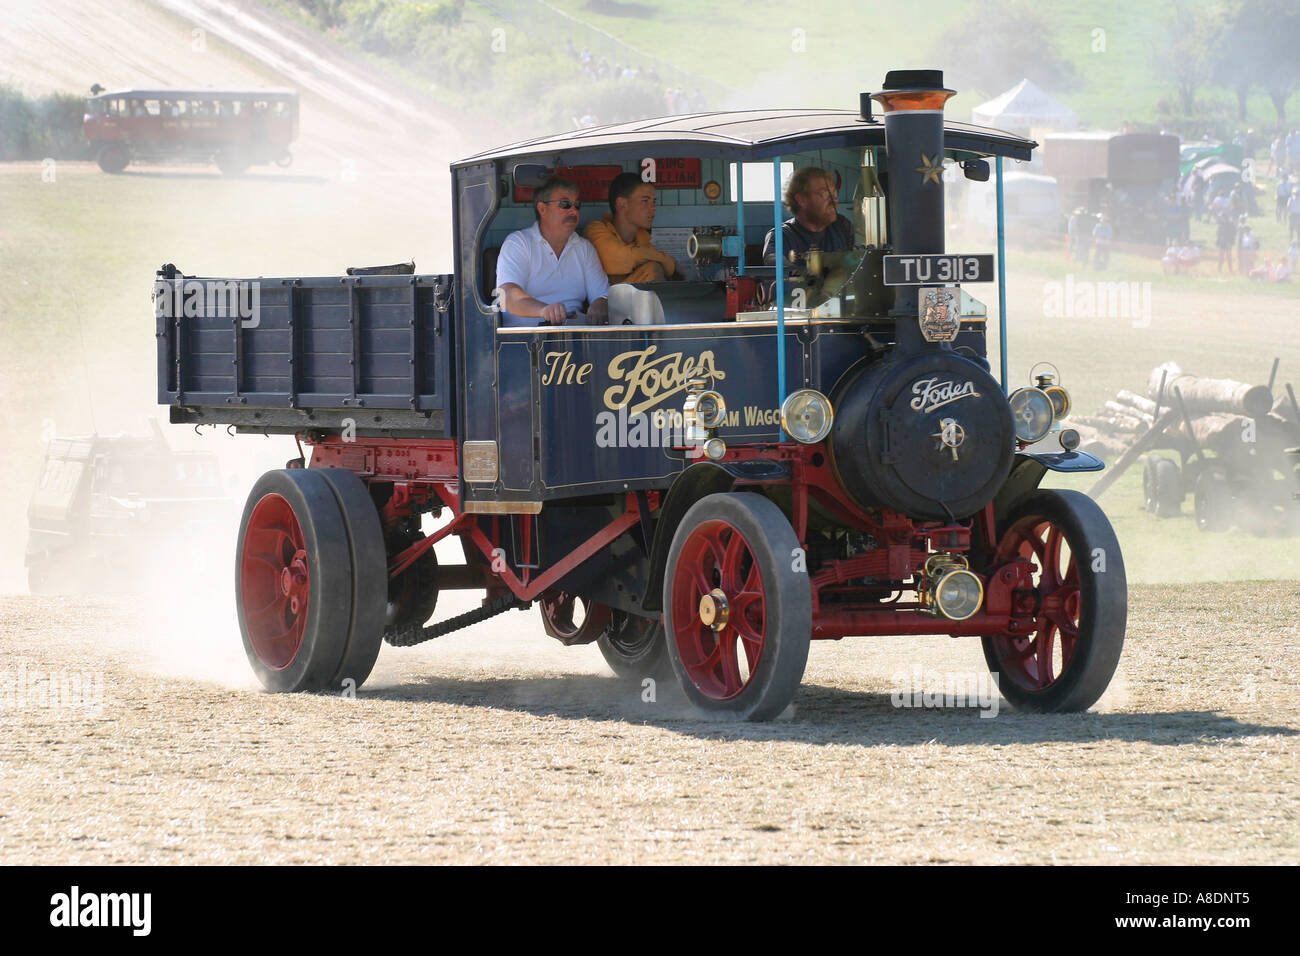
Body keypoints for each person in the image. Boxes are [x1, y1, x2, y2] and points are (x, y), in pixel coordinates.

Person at [495, 176, 609, 327]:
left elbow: (603, 295)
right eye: (565, 204)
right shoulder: (518, 243)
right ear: (542, 209)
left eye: (577, 205)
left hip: (573, 339)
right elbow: (506, 296)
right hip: (524, 341)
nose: (574, 210)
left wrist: (601, 303)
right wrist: (544, 310)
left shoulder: (584, 248)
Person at [583, 172, 678, 283]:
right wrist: (663, 259)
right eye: (645, 201)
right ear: (622, 204)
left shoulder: (643, 240)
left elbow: (670, 268)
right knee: (652, 269)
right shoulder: (595, 229)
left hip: (633, 299)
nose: (654, 207)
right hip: (604, 300)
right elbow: (617, 261)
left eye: (654, 201)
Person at [762, 167, 854, 264]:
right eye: (825, 194)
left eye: (834, 194)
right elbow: (772, 260)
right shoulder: (782, 235)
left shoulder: (842, 226)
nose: (834, 200)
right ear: (802, 200)